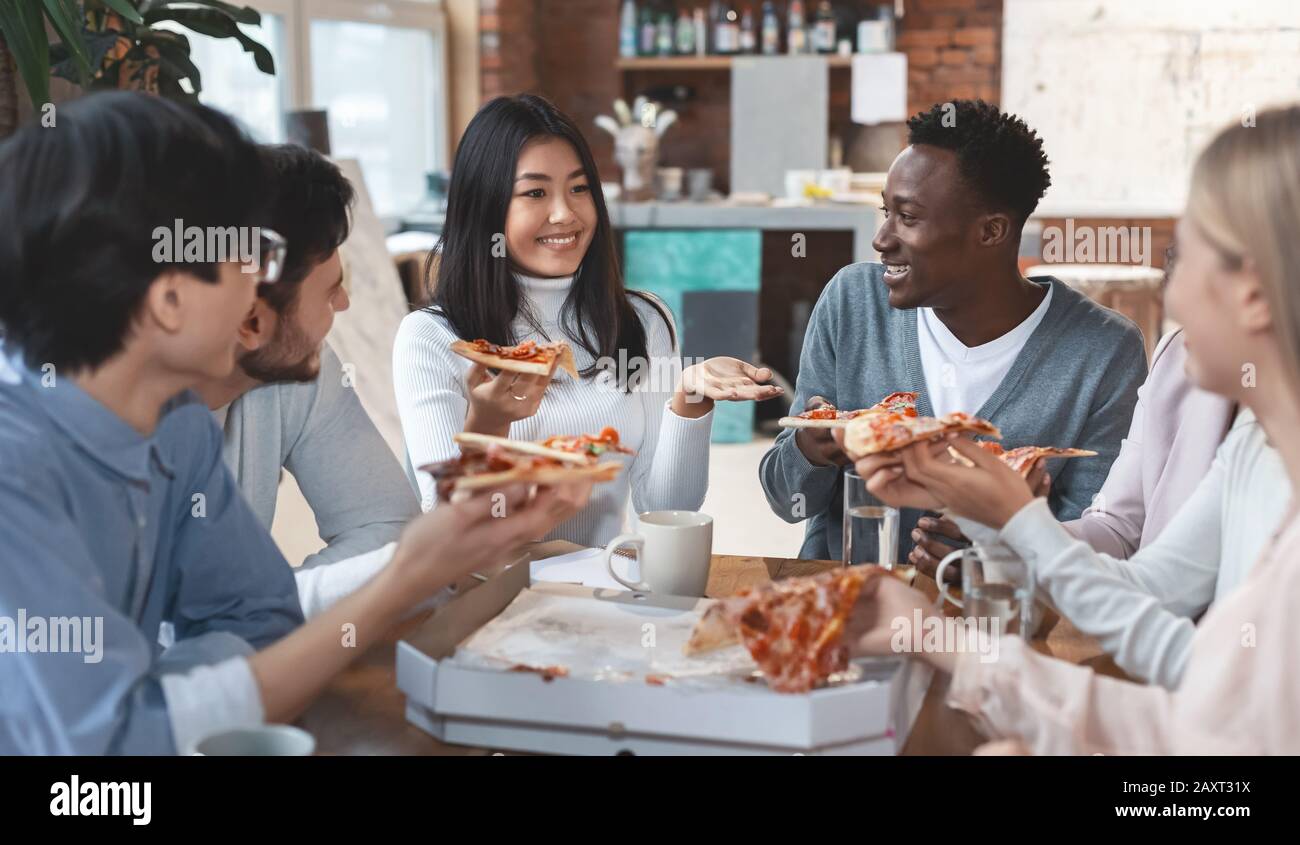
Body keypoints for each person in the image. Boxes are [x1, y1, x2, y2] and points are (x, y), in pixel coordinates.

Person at [0, 93, 579, 755]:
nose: (259, 297)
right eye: (244, 261)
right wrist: (404, 576)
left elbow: (260, 621)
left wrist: (166, 689)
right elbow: (106, 759)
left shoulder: (177, 420)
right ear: (167, 301)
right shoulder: (15, 471)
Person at [847, 104, 1300, 753]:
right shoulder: (1255, 443)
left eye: (1186, 255)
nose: (1170, 297)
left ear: (1253, 291)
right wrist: (978, 504)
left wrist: (1001, 544)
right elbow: (1157, 603)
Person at [759, 100, 1147, 563]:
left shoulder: (1104, 352)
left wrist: (1006, 548)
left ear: (991, 232)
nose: (881, 239)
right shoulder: (853, 302)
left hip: (1000, 626)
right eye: (886, 212)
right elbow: (786, 500)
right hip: (845, 614)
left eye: (908, 217)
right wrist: (810, 449)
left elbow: (1102, 540)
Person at [394, 94, 782, 546]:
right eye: (535, 193)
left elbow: (667, 505)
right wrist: (489, 422)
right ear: (484, 208)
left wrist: (689, 396)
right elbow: (447, 530)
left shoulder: (642, 319)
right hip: (491, 597)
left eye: (579, 188)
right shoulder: (433, 337)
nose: (566, 214)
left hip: (600, 591)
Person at [192, 144, 420, 617]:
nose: (343, 305)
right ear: (252, 321)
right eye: (330, 291)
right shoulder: (115, 419)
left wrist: (260, 608)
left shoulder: (297, 364)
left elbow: (388, 524)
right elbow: (173, 632)